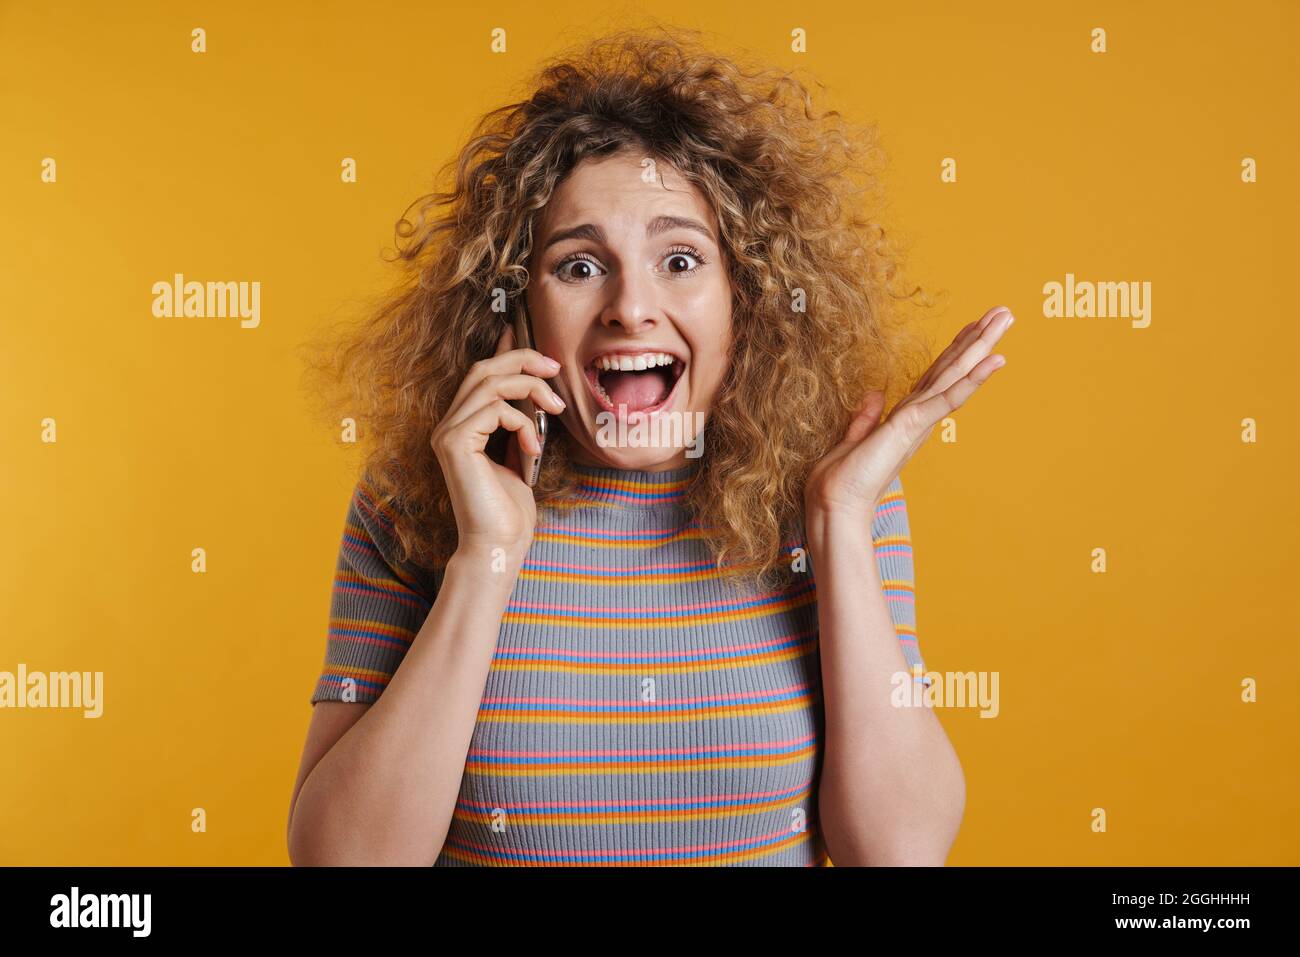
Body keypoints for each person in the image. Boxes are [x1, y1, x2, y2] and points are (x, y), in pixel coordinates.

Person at [287, 26, 1011, 866]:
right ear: (515, 310)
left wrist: (840, 520)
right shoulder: (419, 497)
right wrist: (486, 554)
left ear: (747, 300)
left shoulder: (830, 494)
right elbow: (343, 861)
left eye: (678, 258)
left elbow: (898, 851)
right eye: (579, 266)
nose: (631, 306)